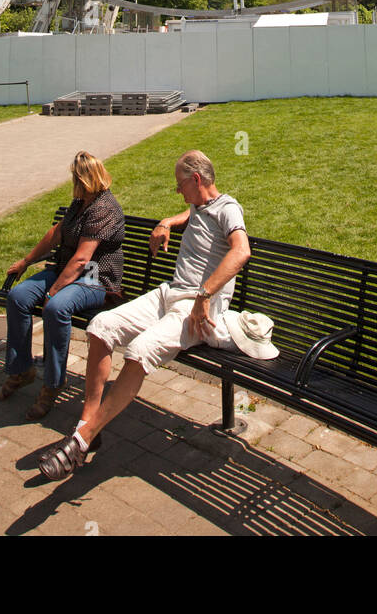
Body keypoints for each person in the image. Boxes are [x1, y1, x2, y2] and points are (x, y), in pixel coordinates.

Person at [38, 149, 250, 480]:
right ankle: (87, 425)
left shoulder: (229, 208)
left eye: (180, 184)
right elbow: (192, 212)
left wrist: (205, 294)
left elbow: (241, 250)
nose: (177, 190)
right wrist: (167, 221)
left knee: (138, 351)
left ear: (196, 179)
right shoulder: (199, 206)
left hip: (195, 307)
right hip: (169, 293)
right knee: (100, 326)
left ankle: (81, 441)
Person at [0, 151, 124, 421]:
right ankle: (21, 370)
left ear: (84, 179)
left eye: (74, 178)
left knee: (56, 309)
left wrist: (53, 292)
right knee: (18, 296)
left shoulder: (105, 208)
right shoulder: (80, 203)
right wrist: (26, 261)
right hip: (67, 271)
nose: (72, 182)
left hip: (95, 280)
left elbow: (83, 259)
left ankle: (53, 384)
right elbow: (56, 234)